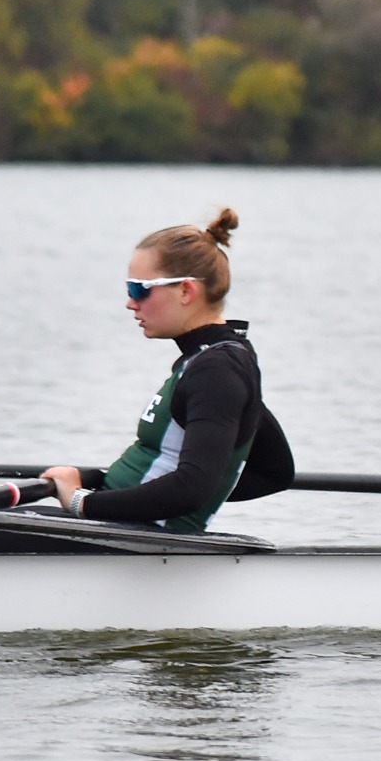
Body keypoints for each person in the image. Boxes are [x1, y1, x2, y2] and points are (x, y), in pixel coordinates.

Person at [39, 209, 294, 534]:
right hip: (120, 526)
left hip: (133, 540)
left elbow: (192, 488)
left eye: (139, 290)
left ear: (186, 291)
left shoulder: (216, 372)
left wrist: (81, 502)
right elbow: (275, 472)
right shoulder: (219, 359)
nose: (131, 303)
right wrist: (98, 482)